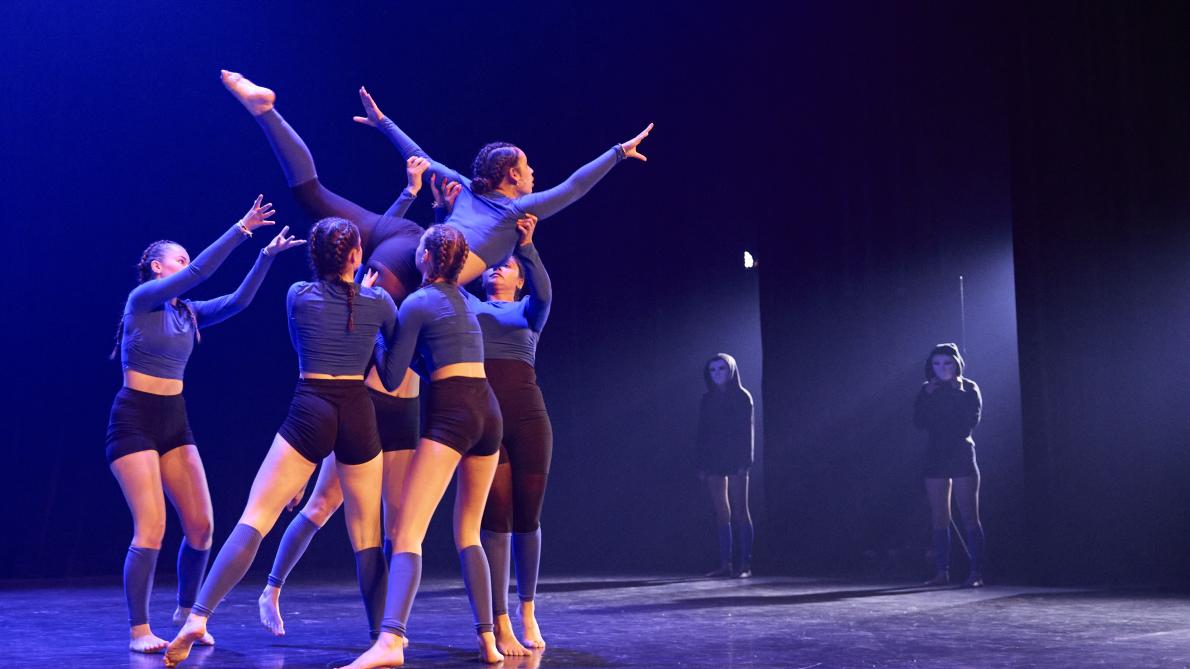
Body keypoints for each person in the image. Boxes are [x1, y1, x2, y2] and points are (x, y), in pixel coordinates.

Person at [164, 217, 409, 667]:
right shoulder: (379, 302)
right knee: (367, 538)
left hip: (310, 408)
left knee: (255, 519)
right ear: (355, 256)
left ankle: (198, 616)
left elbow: (303, 348)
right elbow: (392, 376)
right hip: (357, 411)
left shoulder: (297, 294)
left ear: (314, 257)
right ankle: (383, 641)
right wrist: (373, 319)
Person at [253, 152, 435, 641]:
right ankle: (271, 588)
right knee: (320, 506)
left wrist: (419, 194)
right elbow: (384, 230)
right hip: (366, 402)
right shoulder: (380, 275)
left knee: (399, 527)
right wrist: (411, 190)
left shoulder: (436, 274)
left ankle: (389, 629)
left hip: (407, 408)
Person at [107, 196, 300, 652]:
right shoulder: (142, 302)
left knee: (201, 527)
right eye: (179, 258)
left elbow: (236, 302)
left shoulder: (186, 312)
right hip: (134, 419)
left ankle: (187, 612)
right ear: (156, 268)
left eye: (186, 259)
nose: (186, 264)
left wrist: (264, 258)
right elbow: (200, 274)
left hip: (174, 420)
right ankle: (139, 630)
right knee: (151, 526)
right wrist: (242, 228)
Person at [339, 224, 505, 669]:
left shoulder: (416, 302)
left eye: (419, 249)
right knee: (468, 530)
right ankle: (488, 641)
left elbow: (392, 377)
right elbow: (427, 357)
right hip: (489, 411)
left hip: (452, 412)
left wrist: (375, 322)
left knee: (407, 533)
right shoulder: (464, 303)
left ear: (427, 258)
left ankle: (390, 640)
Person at [353, 85, 653, 285]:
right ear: (513, 175)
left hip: (410, 254)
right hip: (433, 274)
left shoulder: (466, 187)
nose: (533, 172)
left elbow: (420, 158)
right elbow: (573, 187)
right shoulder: (514, 209)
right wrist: (619, 152)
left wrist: (384, 123)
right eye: (527, 167)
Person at [913, 343, 985, 588]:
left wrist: (956, 392)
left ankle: (976, 572)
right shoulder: (927, 389)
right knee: (939, 516)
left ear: (956, 364)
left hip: (961, 453)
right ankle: (941, 572)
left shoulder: (969, 388)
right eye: (936, 363)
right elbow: (919, 422)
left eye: (947, 363)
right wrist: (928, 396)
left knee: (969, 515)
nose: (942, 368)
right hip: (936, 454)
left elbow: (969, 423)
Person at [695, 354, 756, 578]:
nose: (717, 373)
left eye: (721, 369)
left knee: (741, 511)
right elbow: (702, 433)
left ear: (731, 370)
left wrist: (745, 462)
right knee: (722, 512)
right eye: (713, 370)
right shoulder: (707, 398)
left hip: (737, 459)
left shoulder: (742, 397)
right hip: (714, 459)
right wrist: (701, 464)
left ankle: (746, 564)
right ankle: (725, 564)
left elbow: (747, 432)